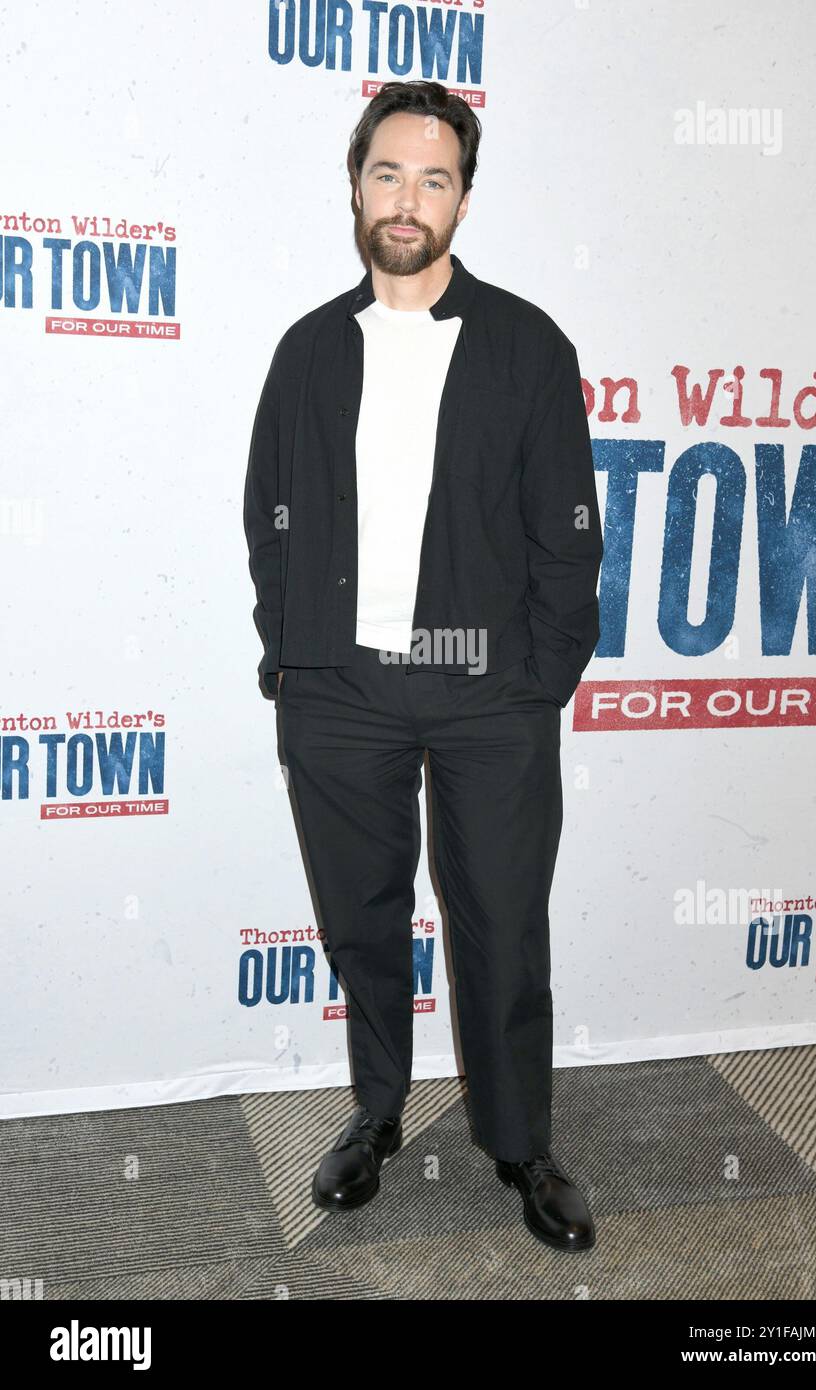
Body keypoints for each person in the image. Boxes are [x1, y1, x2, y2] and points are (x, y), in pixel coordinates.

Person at [243, 79, 604, 1253]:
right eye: (388, 173)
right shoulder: (306, 351)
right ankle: (375, 1111)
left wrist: (534, 681)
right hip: (339, 691)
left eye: (433, 178)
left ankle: (519, 1140)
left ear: (462, 198)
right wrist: (294, 661)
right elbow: (268, 518)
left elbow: (566, 536)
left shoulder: (528, 349)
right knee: (361, 920)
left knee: (500, 920)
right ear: (355, 185)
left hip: (485, 690)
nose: (407, 199)